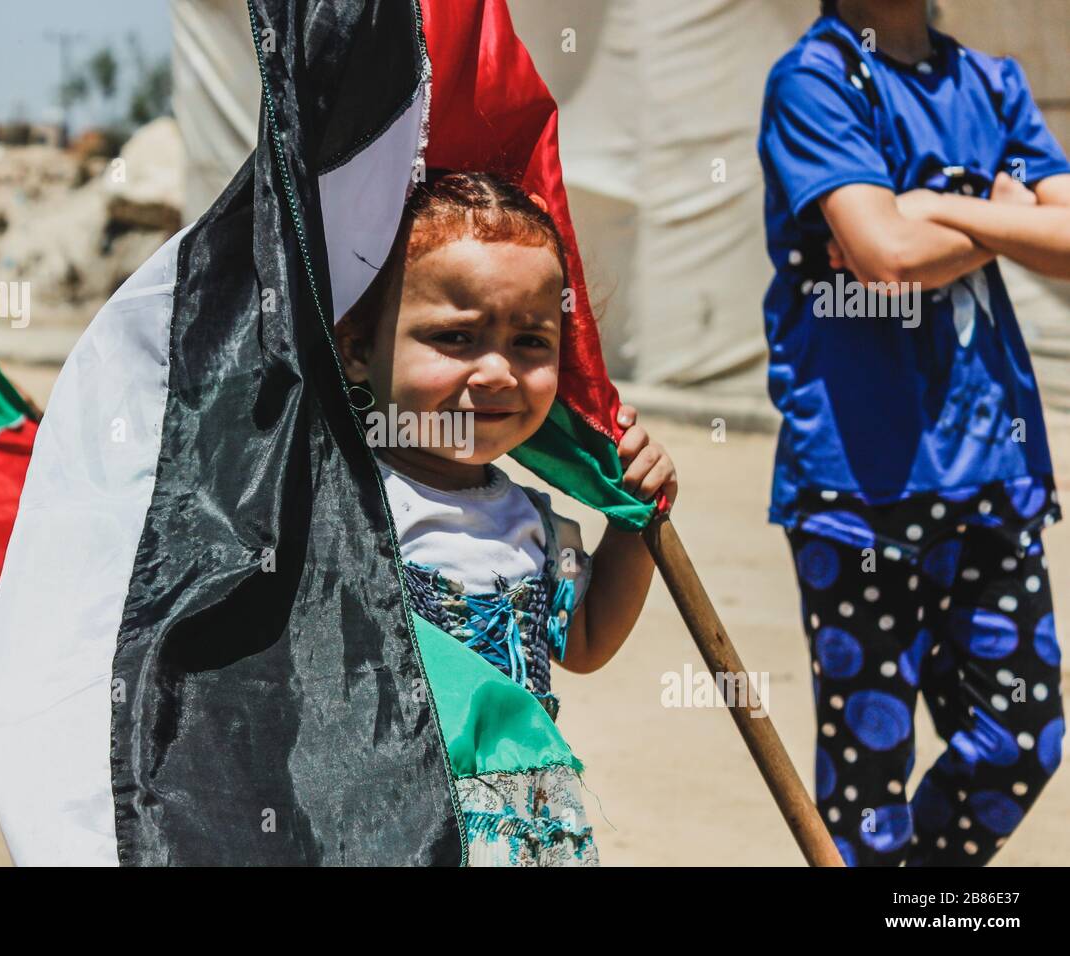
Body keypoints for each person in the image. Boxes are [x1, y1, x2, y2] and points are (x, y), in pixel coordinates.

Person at [758, 0, 1068, 865]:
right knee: (870, 785)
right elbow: (884, 261)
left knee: (1023, 740)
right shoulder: (817, 81)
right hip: (861, 490)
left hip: (995, 478)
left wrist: (929, 206)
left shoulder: (992, 83)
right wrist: (1004, 219)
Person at [333, 170, 678, 865]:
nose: (497, 373)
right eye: (456, 338)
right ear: (359, 346)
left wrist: (635, 523)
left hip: (519, 828)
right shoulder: (338, 508)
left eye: (530, 343)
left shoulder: (543, 528)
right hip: (383, 823)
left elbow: (582, 642)